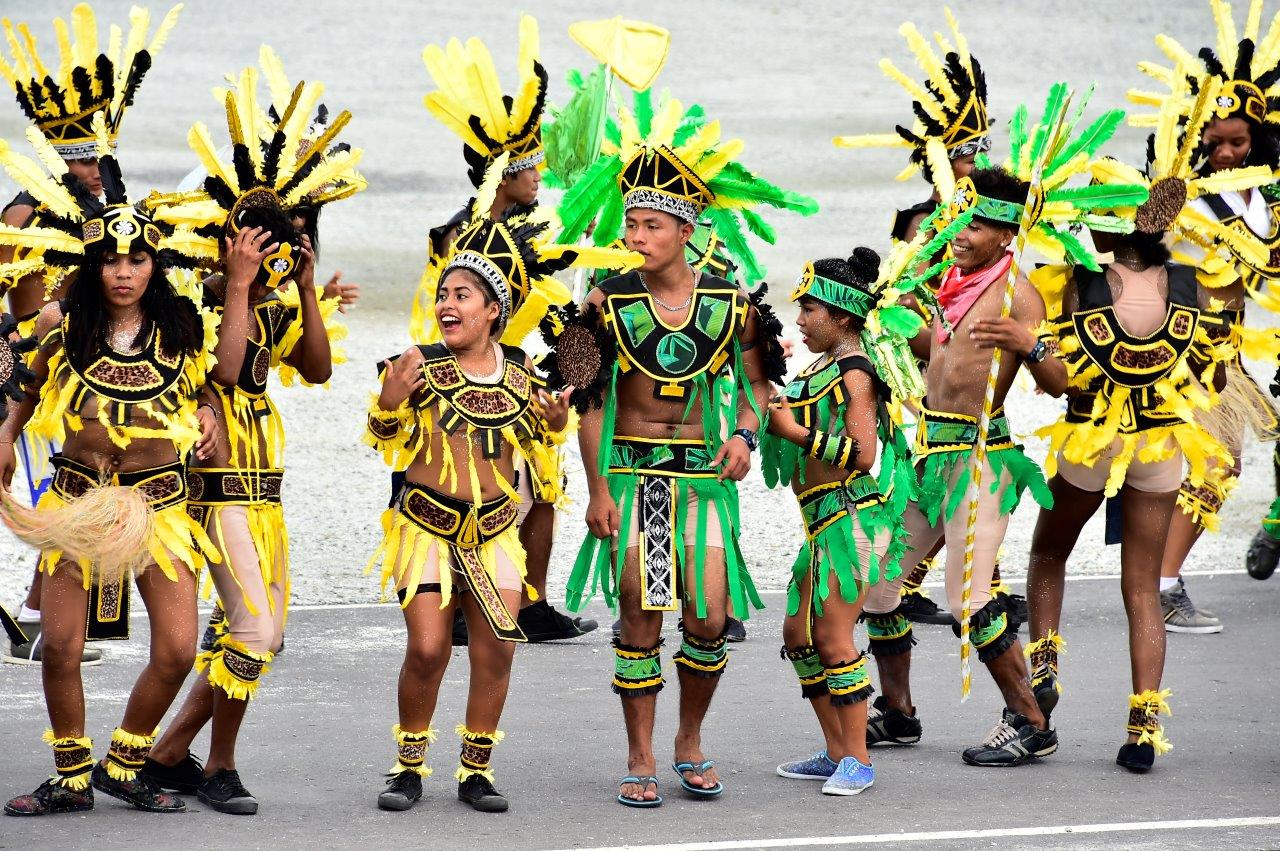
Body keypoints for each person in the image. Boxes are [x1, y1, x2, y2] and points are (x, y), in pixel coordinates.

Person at [545, 111, 801, 806]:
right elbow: (587, 400)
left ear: (686, 230)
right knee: (640, 613)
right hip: (636, 479)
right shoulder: (604, 301)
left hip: (702, 477)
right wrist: (598, 489)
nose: (635, 237)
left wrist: (745, 436)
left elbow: (757, 384)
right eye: (630, 224)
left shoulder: (730, 300)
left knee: (710, 619)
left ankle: (689, 738)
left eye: (650, 225)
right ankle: (641, 753)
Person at [0, 132, 243, 816]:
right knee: (60, 647)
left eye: (137, 259)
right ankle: (71, 776)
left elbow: (208, 386)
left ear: (154, 265)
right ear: (93, 264)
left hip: (161, 508)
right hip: (78, 500)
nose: (124, 272)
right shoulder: (62, 321)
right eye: (110, 260)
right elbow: (22, 383)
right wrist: (6, 433)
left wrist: (209, 413)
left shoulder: (180, 325)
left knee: (177, 649)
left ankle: (125, 763)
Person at [140, 63, 361, 815]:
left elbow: (318, 367)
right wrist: (236, 284)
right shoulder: (199, 305)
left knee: (253, 637)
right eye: (253, 247)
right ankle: (168, 754)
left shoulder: (272, 304)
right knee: (254, 633)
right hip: (217, 490)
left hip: (266, 494)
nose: (265, 259)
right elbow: (227, 370)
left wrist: (305, 288)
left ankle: (208, 762)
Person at [367, 200, 628, 814]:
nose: (447, 304)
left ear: (493, 311)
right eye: (443, 294)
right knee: (428, 649)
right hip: (425, 529)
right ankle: (408, 767)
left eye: (462, 295)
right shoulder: (417, 363)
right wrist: (389, 402)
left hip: (493, 535)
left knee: (497, 651)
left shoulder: (521, 370)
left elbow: (535, 445)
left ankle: (476, 771)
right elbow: (383, 442)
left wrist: (556, 423)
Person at [1025, 133, 1257, 771]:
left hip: (1089, 439)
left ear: (1107, 224)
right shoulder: (1189, 285)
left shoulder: (1079, 284)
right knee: (1143, 590)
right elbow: (1213, 377)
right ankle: (1143, 729)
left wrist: (1029, 345)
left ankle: (1043, 672)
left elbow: (1061, 381)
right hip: (1159, 446)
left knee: (1048, 553)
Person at [857, 166, 1070, 764]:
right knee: (879, 585)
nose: (961, 233)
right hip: (930, 457)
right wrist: (893, 322)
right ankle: (898, 713)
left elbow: (1060, 382)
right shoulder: (952, 280)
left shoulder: (1019, 294)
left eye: (975, 225)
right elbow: (943, 354)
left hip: (981, 461)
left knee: (968, 600)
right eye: (961, 221)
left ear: (1005, 235)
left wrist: (1029, 345)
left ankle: (1031, 721)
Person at [0, 2, 181, 668]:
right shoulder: (24, 213)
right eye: (85, 165)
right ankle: (41, 618)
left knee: (72, 491)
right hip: (38, 365)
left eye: (100, 164)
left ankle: (39, 616)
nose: (96, 174)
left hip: (89, 361)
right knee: (61, 492)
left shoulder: (103, 216)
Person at [833, 9, 1024, 628]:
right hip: (920, 363)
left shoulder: (989, 219)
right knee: (936, 479)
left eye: (982, 148)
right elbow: (903, 299)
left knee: (965, 482)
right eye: (965, 152)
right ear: (940, 158)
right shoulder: (923, 223)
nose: (976, 161)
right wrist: (932, 340)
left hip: (966, 367)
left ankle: (965, 584)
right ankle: (937, 586)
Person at [411, 17, 593, 644]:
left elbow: (541, 301)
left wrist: (576, 348)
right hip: (458, 374)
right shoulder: (458, 236)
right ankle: (471, 607)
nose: (540, 174)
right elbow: (445, 310)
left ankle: (527, 602)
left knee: (541, 481)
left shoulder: (520, 230)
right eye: (529, 165)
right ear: (503, 170)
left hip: (512, 367)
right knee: (468, 484)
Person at [1131, 0, 1280, 627]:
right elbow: (1133, 240)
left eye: (1237, 142)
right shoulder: (1182, 193)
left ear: (1259, 139)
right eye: (1213, 142)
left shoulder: (1266, 200)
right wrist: (1155, 204)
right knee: (1207, 466)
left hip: (1231, 353)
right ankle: (1161, 587)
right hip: (1180, 350)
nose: (1224, 153)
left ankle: (1155, 581)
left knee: (1213, 467)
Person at [765, 248, 922, 795]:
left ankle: (858, 760)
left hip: (850, 519)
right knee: (798, 634)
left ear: (843, 317)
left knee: (833, 638)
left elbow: (862, 454)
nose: (800, 320)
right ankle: (837, 751)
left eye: (810, 310)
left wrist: (793, 432)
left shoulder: (855, 371)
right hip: (820, 523)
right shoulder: (823, 365)